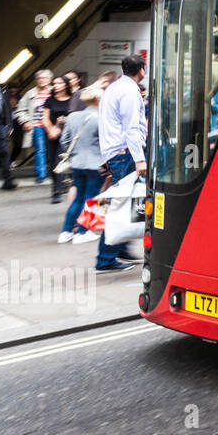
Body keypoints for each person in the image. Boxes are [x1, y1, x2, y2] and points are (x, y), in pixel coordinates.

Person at [96, 54, 148, 273]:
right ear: (141, 71)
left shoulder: (114, 88)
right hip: (126, 152)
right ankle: (106, 258)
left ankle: (121, 248)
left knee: (128, 203)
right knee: (120, 205)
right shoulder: (129, 92)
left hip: (115, 151)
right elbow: (131, 128)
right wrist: (139, 159)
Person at [57, 87, 104, 244]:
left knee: (79, 197)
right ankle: (83, 232)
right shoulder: (101, 118)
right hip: (96, 163)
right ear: (98, 100)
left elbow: (64, 141)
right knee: (92, 198)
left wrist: (76, 152)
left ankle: (66, 231)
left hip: (77, 163)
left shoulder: (72, 117)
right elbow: (106, 143)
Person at [15, 69, 53, 184]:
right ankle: (41, 174)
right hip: (37, 125)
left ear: (49, 80)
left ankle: (56, 173)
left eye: (44, 78)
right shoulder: (30, 93)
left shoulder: (55, 91)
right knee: (40, 150)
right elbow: (20, 110)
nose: (41, 80)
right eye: (39, 78)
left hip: (52, 126)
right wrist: (25, 121)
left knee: (54, 149)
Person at [42, 75, 75, 205]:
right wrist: (51, 130)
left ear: (66, 85)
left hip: (67, 136)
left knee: (59, 161)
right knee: (52, 163)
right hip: (52, 135)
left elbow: (74, 117)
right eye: (54, 83)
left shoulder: (72, 99)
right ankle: (56, 187)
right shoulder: (50, 100)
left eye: (59, 83)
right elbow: (44, 118)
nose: (56, 85)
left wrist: (62, 125)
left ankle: (58, 190)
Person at [0, 62, 16, 190]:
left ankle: (8, 181)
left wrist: (10, 125)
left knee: (4, 153)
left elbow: (7, 107)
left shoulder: (1, 88)